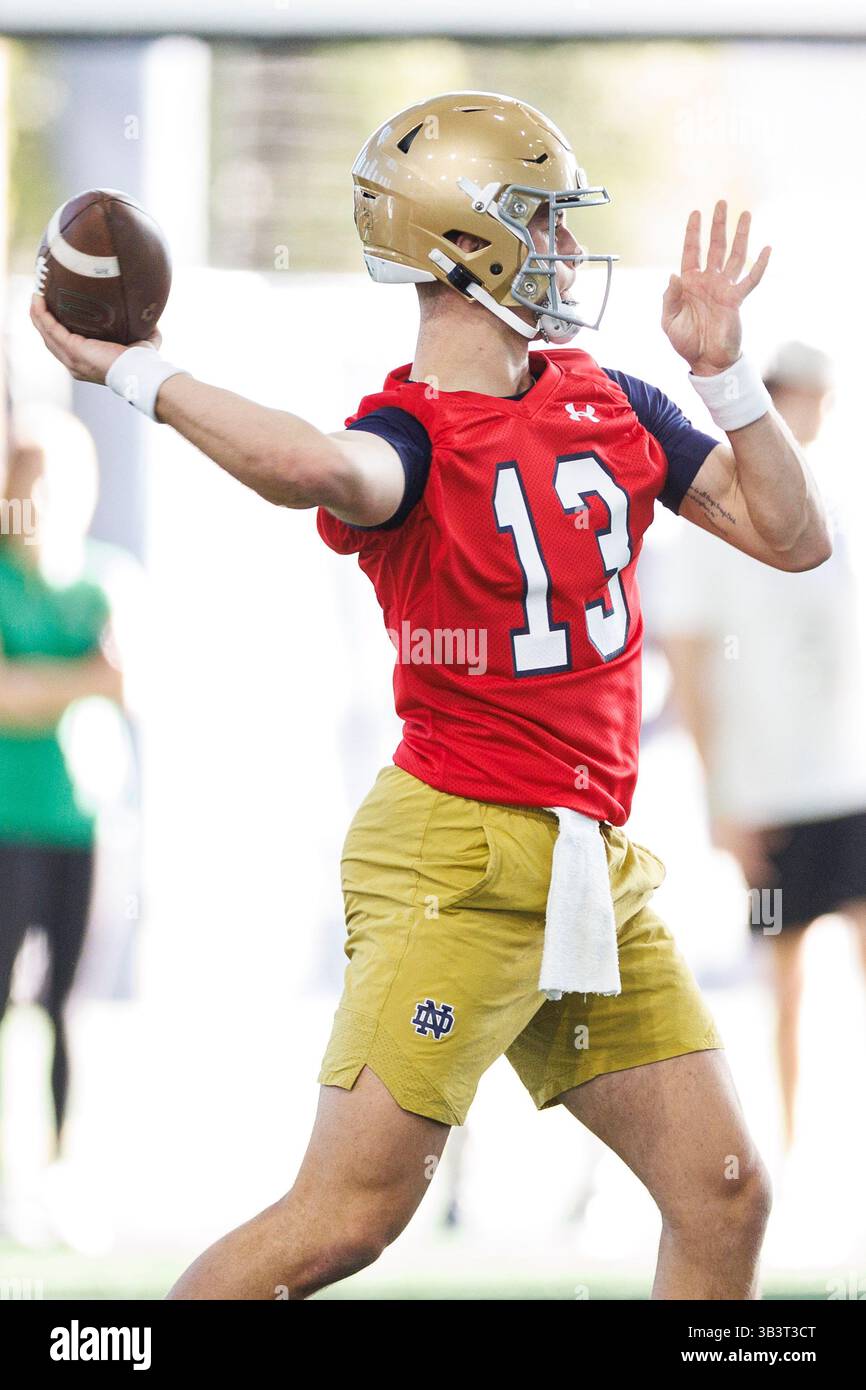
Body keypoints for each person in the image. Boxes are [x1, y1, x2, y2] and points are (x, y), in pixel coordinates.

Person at [32, 92, 831, 1301]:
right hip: (453, 857)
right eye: (540, 223)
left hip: (586, 866)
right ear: (468, 240)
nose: (565, 251)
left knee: (723, 1193)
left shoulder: (613, 398)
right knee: (342, 1221)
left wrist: (724, 380)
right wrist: (143, 373)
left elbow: (793, 530)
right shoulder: (405, 433)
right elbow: (307, 464)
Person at [657, 341, 866, 1153]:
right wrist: (720, 802)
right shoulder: (710, 521)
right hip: (769, 793)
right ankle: (787, 1150)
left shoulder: (836, 508)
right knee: (783, 982)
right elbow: (694, 667)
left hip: (848, 780)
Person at [0, 409, 123, 1167]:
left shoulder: (105, 581)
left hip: (87, 824)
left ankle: (59, 1167)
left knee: (67, 1010)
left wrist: (41, 683)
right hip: (9, 820)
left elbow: (128, 680)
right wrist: (78, 682)